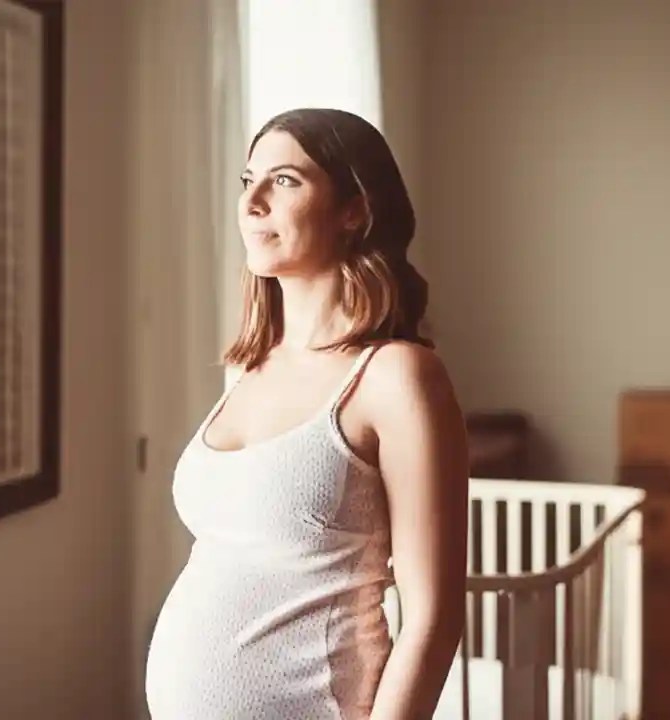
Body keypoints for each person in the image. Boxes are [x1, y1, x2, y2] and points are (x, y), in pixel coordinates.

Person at [144, 108, 469, 719]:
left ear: (355, 210)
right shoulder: (248, 367)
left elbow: (432, 617)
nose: (253, 202)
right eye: (248, 181)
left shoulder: (394, 377)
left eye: (285, 181)